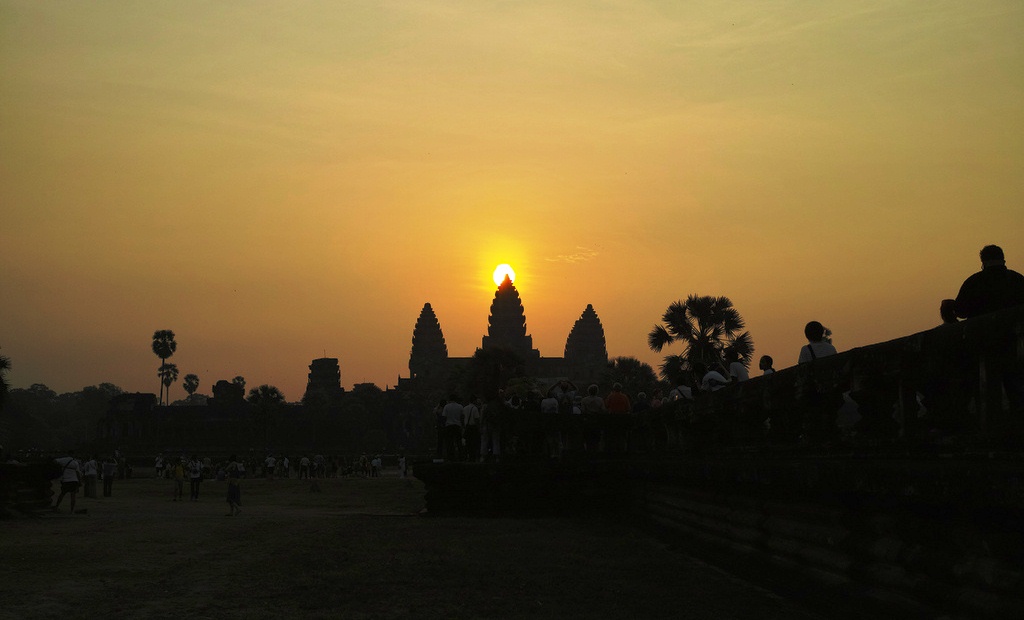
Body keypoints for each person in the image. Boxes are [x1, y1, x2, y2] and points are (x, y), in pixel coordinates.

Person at [947, 245, 1024, 319]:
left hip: (982, 330)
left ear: (983, 263)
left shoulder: (973, 282)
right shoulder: (1018, 279)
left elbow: (961, 312)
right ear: (1003, 261)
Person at [442, 394, 465, 461]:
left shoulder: (446, 407)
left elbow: (444, 417)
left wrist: (444, 425)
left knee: (449, 442)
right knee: (458, 441)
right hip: (457, 425)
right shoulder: (460, 406)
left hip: (449, 426)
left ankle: (450, 456)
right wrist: (462, 425)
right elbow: (462, 417)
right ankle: (461, 455)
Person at [463, 395, 482, 462]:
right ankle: (473, 457)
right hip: (473, 427)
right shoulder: (475, 408)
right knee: (474, 443)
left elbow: (463, 418)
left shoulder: (465, 408)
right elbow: (476, 419)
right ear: (474, 401)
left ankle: (467, 456)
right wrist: (479, 428)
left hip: (467, 427)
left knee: (468, 443)